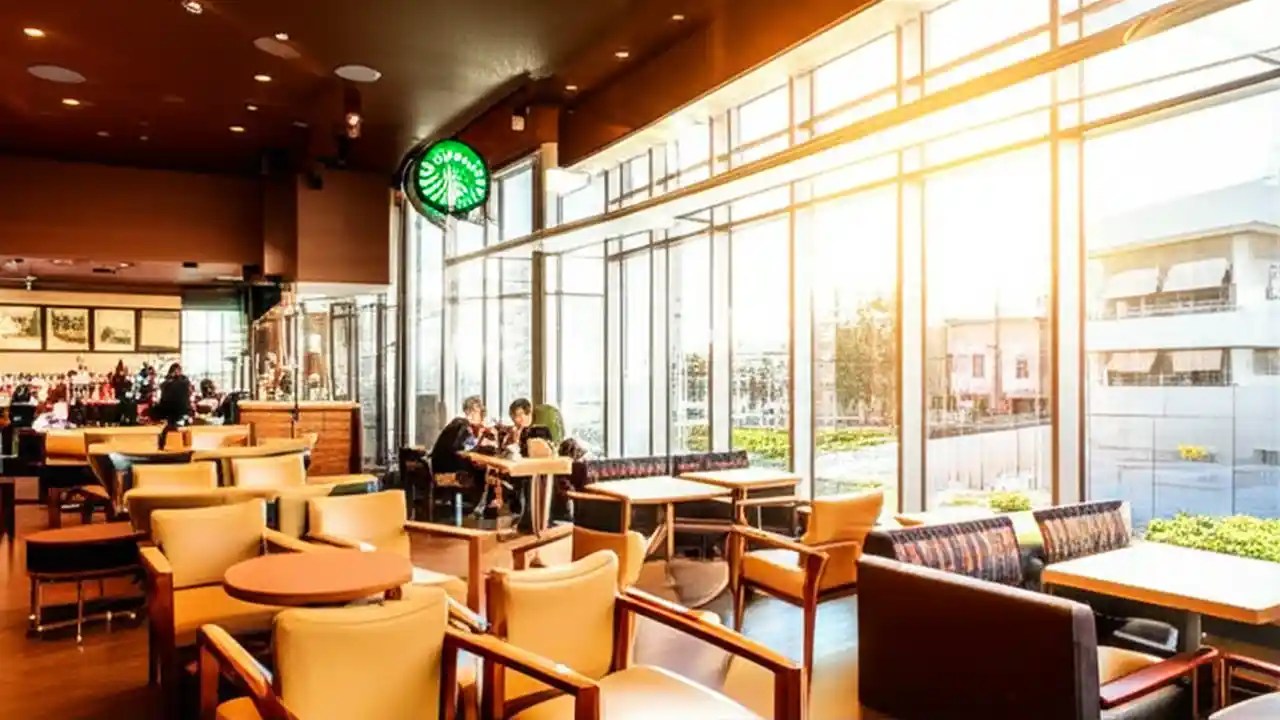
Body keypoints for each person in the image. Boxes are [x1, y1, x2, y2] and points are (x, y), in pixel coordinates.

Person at [151, 363, 193, 447]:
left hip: (178, 407)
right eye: (175, 371)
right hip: (173, 408)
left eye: (178, 370)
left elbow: (188, 393)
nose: (177, 372)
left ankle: (165, 438)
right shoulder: (169, 382)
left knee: (173, 424)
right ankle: (165, 437)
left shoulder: (183, 381)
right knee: (172, 424)